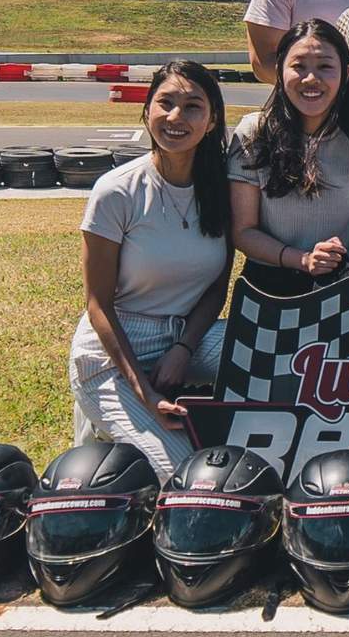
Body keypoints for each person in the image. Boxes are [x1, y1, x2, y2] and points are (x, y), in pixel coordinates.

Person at [69, 61, 232, 481]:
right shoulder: (116, 191)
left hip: (185, 335)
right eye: (166, 103)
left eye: (193, 106)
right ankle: (104, 426)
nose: (176, 117)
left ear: (212, 120)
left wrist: (183, 348)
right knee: (179, 474)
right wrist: (146, 393)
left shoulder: (221, 189)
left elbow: (217, 286)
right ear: (146, 112)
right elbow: (98, 305)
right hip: (112, 350)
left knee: (272, 358)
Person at [229, 17, 349, 297]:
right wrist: (303, 260)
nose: (311, 79)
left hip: (343, 284)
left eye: (325, 66)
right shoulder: (253, 133)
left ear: (347, 73)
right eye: (298, 67)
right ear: (279, 69)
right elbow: (243, 231)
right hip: (267, 288)